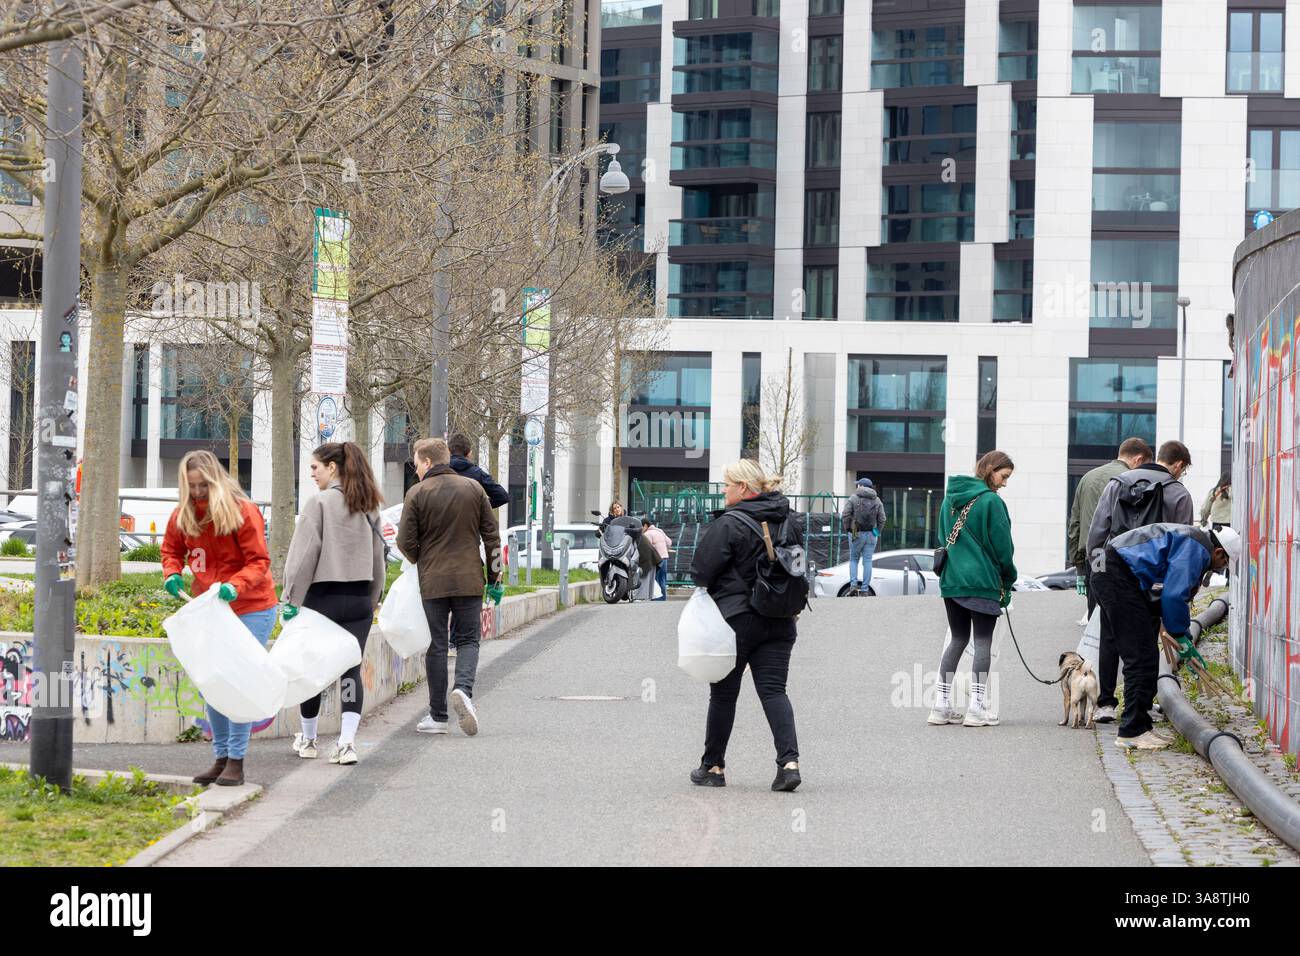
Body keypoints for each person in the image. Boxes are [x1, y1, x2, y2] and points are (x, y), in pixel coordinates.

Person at [162, 450, 277, 787]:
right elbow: (171, 550)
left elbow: (259, 560)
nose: (197, 493)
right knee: (213, 685)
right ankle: (222, 756)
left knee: (236, 683)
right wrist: (171, 573)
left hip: (251, 607)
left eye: (203, 486)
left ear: (215, 481)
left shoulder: (242, 511)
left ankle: (237, 760)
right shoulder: (182, 514)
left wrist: (234, 586)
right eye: (191, 487)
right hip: (210, 610)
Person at [689, 460, 802, 792]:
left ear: (743, 488)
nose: (723, 491)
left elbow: (701, 572)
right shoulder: (788, 520)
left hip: (737, 621)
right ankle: (789, 764)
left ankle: (713, 767)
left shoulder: (730, 523)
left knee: (723, 695)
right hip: (781, 619)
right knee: (774, 691)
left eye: (727, 485)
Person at [280, 442, 386, 766]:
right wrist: (373, 598)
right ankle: (346, 742)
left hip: (321, 599)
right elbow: (379, 559)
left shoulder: (319, 504)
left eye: (314, 467)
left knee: (312, 669)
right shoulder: (369, 507)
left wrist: (290, 598)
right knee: (350, 669)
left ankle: (309, 739)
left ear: (332, 467)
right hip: (358, 600)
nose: (311, 474)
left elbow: (302, 557)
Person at [1091, 524, 1239, 749]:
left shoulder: (1193, 540)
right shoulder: (1197, 548)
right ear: (1218, 552)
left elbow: (1165, 590)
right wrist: (1180, 635)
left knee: (1145, 654)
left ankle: (1142, 725)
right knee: (1140, 657)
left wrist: (1182, 634)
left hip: (1111, 570)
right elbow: (1173, 595)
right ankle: (1132, 731)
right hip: (1116, 575)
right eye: (1224, 563)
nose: (1220, 569)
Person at [397, 438, 502, 738]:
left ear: (428, 462)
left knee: (438, 644)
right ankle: (464, 690)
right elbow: (492, 538)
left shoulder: (416, 493)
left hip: (432, 581)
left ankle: (438, 716)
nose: (415, 470)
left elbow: (404, 542)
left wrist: (423, 559)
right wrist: (495, 577)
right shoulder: (474, 489)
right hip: (470, 578)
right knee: (469, 639)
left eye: (416, 464)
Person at [1085, 440, 1195, 724]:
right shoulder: (1178, 493)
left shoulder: (1117, 483)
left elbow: (1098, 533)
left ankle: (1106, 703)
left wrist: (1098, 574)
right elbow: (1184, 548)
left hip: (1113, 572)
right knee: (1145, 643)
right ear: (1179, 465)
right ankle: (1142, 705)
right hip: (1152, 580)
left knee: (1110, 637)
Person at [927, 451, 1018, 729]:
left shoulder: (949, 499)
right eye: (1003, 476)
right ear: (990, 470)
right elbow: (1003, 548)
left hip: (952, 580)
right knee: (982, 642)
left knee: (957, 639)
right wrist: (1009, 577)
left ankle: (940, 705)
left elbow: (943, 537)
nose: (1004, 483)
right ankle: (976, 708)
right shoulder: (991, 502)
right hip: (982, 582)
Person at [1066, 437, 1153, 618]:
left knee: (1095, 617)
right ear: (1138, 460)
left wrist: (1079, 567)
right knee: (1118, 618)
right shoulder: (1131, 481)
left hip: (1094, 556)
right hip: (1117, 558)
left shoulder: (1087, 478)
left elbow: (1074, 524)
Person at [840, 477, 886, 596]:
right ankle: (865, 589)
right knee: (867, 561)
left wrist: (849, 529)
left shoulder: (853, 498)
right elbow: (882, 519)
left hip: (856, 533)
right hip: (871, 534)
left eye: (858, 485)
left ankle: (853, 586)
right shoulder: (877, 500)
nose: (857, 486)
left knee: (854, 559)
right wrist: (877, 531)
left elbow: (845, 515)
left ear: (861, 486)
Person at [447, 433, 509, 509]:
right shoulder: (477, 473)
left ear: (448, 452)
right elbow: (502, 496)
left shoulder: (439, 471)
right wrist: (478, 507)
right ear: (469, 453)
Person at [642, 518, 673, 601]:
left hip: (656, 559)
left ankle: (657, 598)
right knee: (662, 579)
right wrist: (666, 549)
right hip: (665, 557)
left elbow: (647, 548)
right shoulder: (660, 531)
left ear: (645, 525)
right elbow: (669, 542)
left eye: (641, 527)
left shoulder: (647, 534)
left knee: (655, 579)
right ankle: (663, 598)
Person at [636, 520, 658, 601]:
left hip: (647, 558)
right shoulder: (658, 531)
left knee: (643, 578)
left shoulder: (645, 534)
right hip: (655, 557)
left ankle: (641, 597)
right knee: (650, 580)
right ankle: (648, 597)